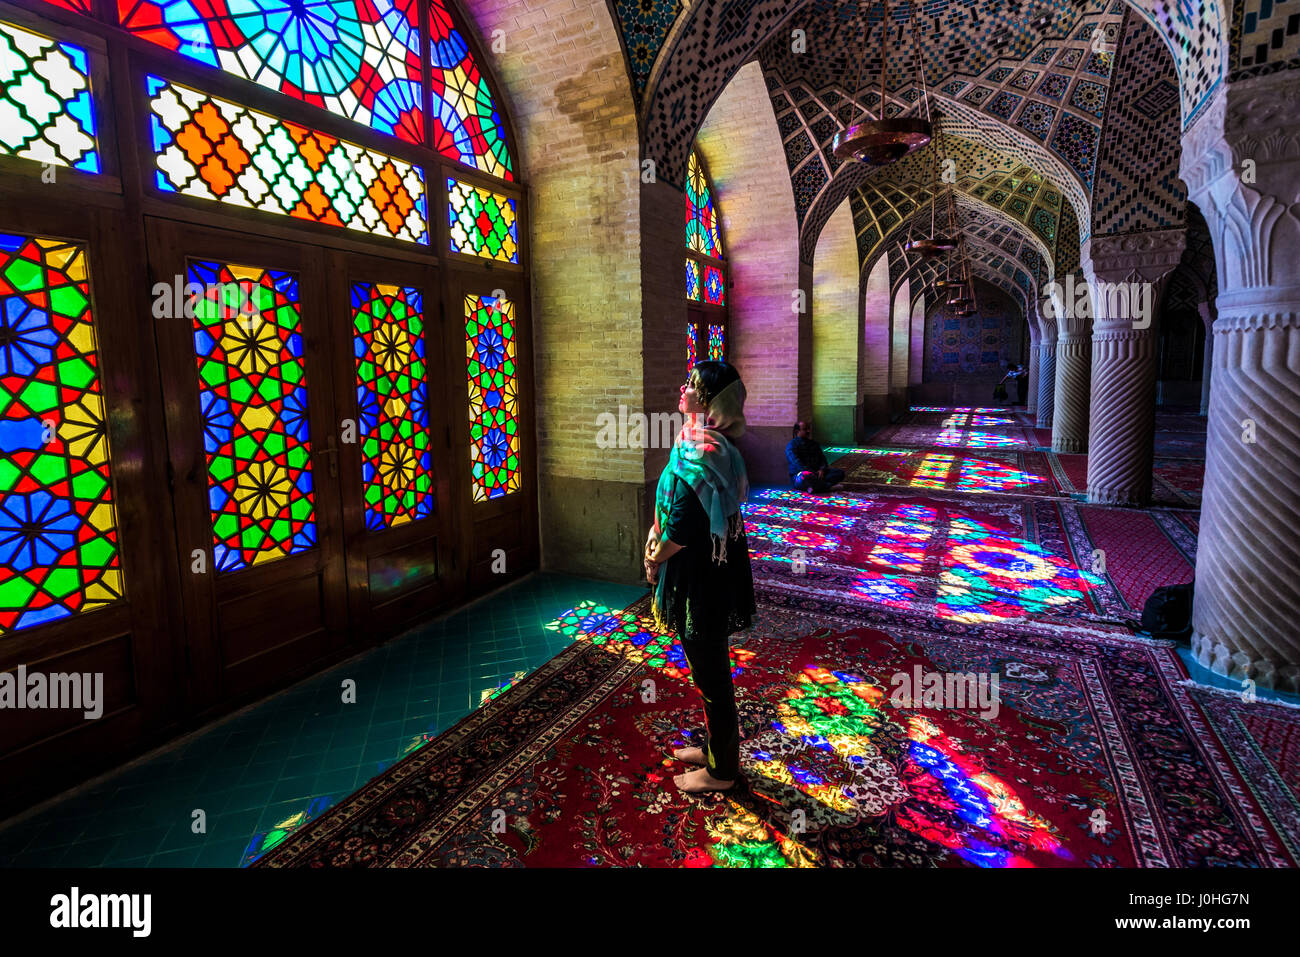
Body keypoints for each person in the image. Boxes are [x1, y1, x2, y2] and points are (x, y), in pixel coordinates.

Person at [644, 361, 756, 794]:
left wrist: (655, 554)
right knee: (707, 668)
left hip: (703, 578)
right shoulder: (696, 442)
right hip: (703, 570)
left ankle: (721, 771)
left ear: (709, 402)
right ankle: (715, 750)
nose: (682, 388)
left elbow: (686, 528)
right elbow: (675, 511)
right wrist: (656, 537)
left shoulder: (708, 452)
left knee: (711, 673)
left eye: (690, 385)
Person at [785, 421, 845, 492]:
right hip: (803, 475)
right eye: (805, 429)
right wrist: (813, 473)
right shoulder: (792, 446)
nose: (808, 431)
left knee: (839, 473)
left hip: (818, 474)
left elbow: (823, 460)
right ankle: (827, 487)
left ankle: (815, 487)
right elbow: (798, 465)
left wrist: (822, 470)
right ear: (797, 431)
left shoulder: (814, 444)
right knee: (804, 477)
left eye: (809, 429)